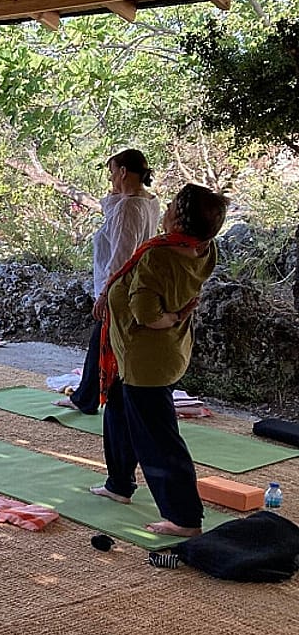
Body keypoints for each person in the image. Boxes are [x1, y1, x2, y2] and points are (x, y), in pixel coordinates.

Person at [89, 183, 228, 537]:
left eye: (172, 205)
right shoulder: (203, 248)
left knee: (158, 440)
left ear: (180, 217)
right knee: (119, 414)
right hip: (144, 353)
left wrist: (175, 317)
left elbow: (147, 313)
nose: (164, 208)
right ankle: (119, 483)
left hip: (146, 359)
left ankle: (184, 517)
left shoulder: (160, 256)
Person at [56, 149, 160, 414]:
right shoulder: (148, 201)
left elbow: (121, 256)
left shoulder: (129, 206)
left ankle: (89, 398)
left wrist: (105, 293)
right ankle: (92, 396)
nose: (111, 178)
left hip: (119, 285)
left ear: (123, 172)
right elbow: (112, 211)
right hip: (132, 283)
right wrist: (116, 193)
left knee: (103, 341)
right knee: (107, 342)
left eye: (113, 172)